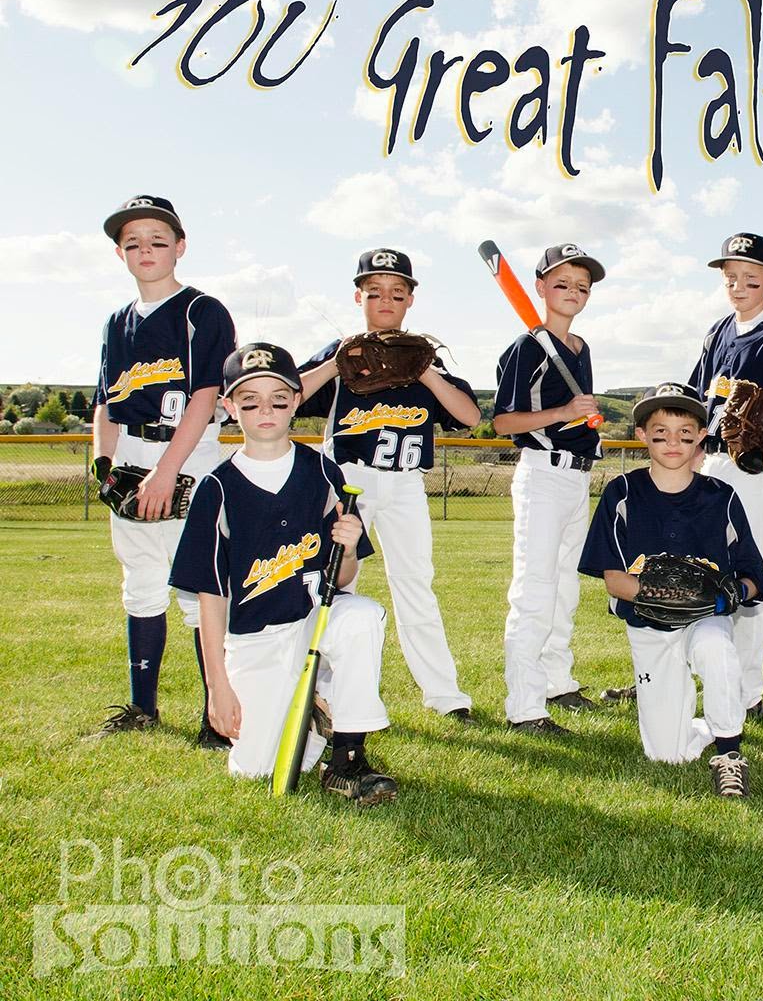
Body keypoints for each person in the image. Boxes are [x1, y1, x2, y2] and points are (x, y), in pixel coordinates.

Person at [170, 343, 396, 804]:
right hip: (254, 639)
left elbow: (344, 578)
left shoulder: (322, 472)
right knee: (255, 770)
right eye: (249, 400)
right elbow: (210, 598)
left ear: (296, 400)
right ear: (230, 408)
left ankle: (347, 760)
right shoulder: (217, 488)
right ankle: (312, 706)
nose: (265, 410)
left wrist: (348, 546)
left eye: (278, 398)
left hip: (313, 621)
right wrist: (218, 688)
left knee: (361, 617)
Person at [298, 248, 477, 723]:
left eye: (397, 293)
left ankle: (444, 694)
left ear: (410, 300)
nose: (385, 301)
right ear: (358, 296)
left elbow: (471, 416)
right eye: (374, 291)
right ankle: (324, 691)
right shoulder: (340, 351)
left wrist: (426, 372)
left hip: (405, 484)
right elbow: (289, 394)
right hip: (348, 482)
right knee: (337, 579)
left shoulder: (423, 358)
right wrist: (338, 363)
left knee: (416, 584)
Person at [579, 384, 763, 797]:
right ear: (641, 435)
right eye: (661, 432)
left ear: (702, 436)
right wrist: (668, 596)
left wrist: (725, 597)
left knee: (717, 648)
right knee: (668, 753)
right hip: (648, 620)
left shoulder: (720, 496)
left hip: (705, 618)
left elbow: (754, 574)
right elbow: (614, 579)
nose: (673, 442)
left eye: (685, 432)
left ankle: (729, 752)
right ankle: (705, 722)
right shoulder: (623, 493)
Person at [90, 195, 235, 746]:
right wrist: (105, 465)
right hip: (131, 453)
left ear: (180, 246)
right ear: (121, 254)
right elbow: (106, 399)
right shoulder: (116, 321)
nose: (145, 250)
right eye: (132, 242)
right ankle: (141, 707)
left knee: (201, 588)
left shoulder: (201, 310)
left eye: (157, 239)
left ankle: (215, 718)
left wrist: (166, 471)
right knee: (142, 582)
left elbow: (205, 396)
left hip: (190, 455)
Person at [687, 232, 763, 720]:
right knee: (704, 573)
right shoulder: (718, 330)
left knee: (748, 577)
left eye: (751, 278)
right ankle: (712, 679)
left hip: (752, 469)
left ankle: (748, 693)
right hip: (710, 463)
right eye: (731, 277)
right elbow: (697, 397)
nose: (738, 286)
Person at [493, 243, 606, 732]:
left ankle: (557, 682)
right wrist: (562, 413)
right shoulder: (527, 347)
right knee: (535, 589)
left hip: (578, 476)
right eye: (561, 283)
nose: (573, 292)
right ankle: (524, 705)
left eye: (582, 286)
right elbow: (501, 422)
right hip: (542, 471)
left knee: (564, 587)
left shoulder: (580, 349)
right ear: (539, 288)